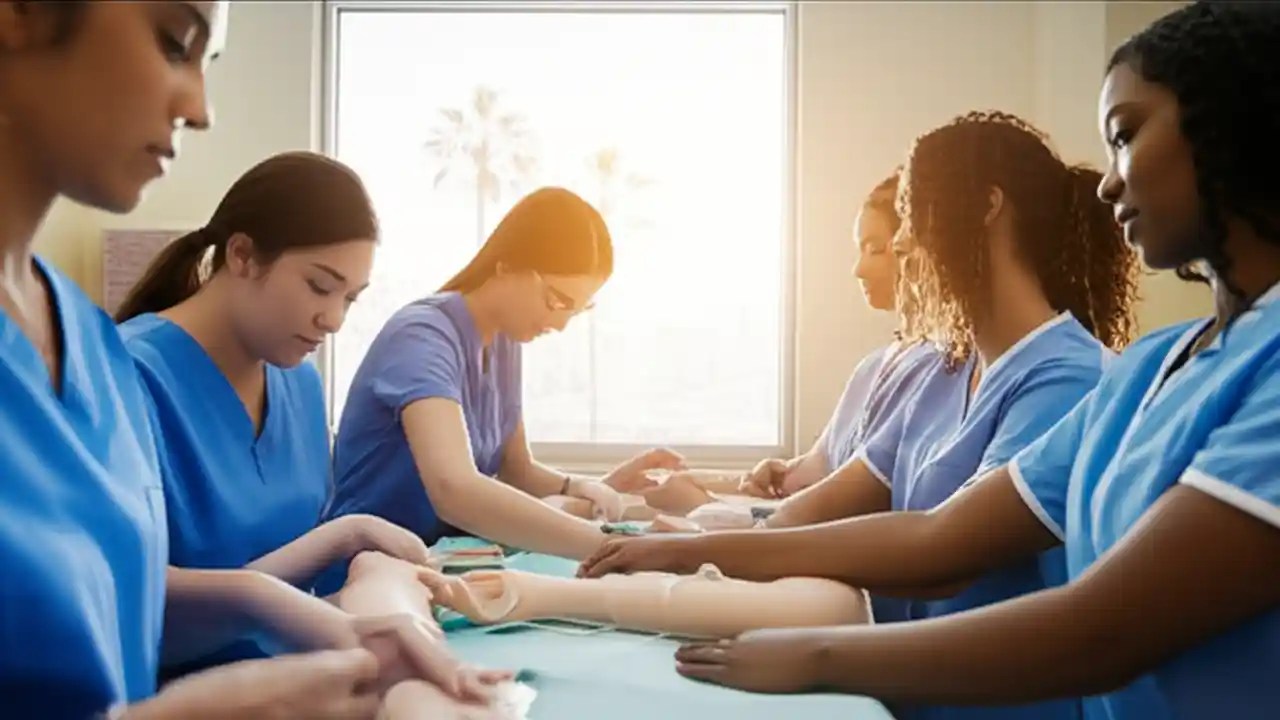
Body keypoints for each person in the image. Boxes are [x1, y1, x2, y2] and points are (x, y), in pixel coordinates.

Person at [630, 4, 1279, 720]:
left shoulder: (1235, 367)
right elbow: (939, 538)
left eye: (1126, 134)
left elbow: (1105, 631)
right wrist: (678, 554)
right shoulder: (1154, 366)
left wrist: (817, 657)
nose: (1106, 182)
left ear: (1229, 120)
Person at [583, 111, 1142, 720]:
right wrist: (695, 543)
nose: (900, 242)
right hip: (893, 700)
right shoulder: (939, 372)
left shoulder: (1070, 378)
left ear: (986, 206)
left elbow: (940, 551)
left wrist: (689, 553)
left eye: (910, 214)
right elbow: (810, 515)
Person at [0, 3, 458, 718]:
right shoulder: (137, 365)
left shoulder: (83, 344)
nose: (201, 110)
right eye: (175, 42)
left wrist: (332, 622)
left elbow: (126, 612)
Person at [114, 151, 442, 675]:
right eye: (319, 285)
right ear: (242, 255)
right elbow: (123, 618)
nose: (333, 319)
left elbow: (313, 592)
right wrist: (338, 538)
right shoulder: (125, 376)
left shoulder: (299, 384)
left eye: (351, 299)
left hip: (294, 684)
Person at [320, 187, 684, 569]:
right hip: (370, 568)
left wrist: (586, 486)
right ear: (507, 265)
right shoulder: (421, 337)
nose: (560, 323)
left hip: (441, 558)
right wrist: (615, 549)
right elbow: (455, 489)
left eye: (576, 310)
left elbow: (517, 470)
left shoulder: (504, 341)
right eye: (556, 301)